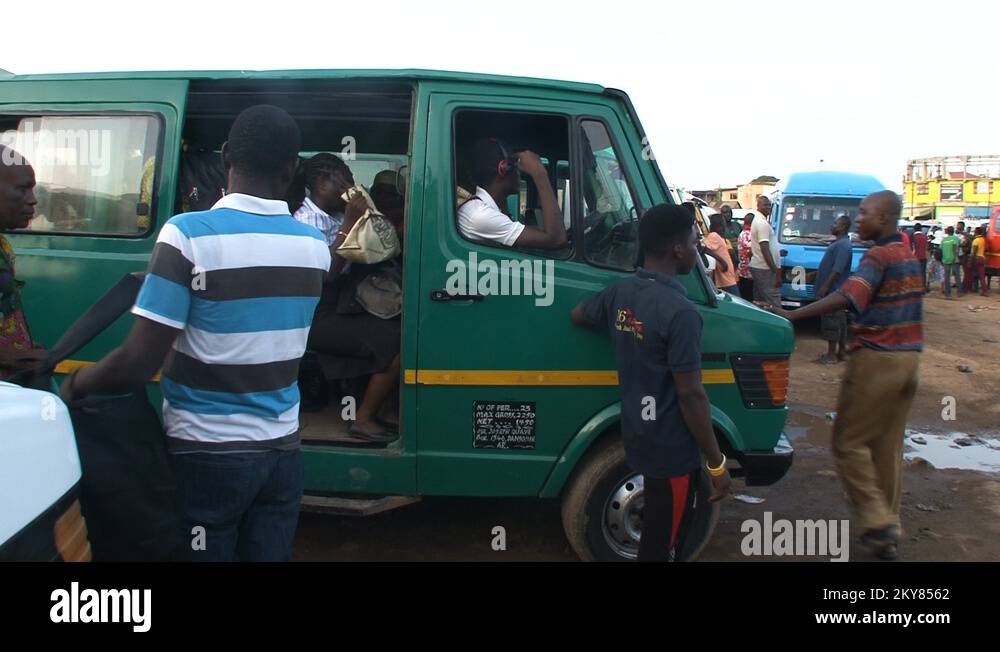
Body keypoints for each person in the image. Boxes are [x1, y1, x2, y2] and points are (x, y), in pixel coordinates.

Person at [61, 105, 332, 562]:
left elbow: (137, 363)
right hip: (283, 453)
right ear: (291, 168)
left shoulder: (187, 234)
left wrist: (74, 384)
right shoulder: (313, 246)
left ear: (226, 156)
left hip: (206, 454)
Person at [570, 203, 730, 562]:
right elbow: (691, 395)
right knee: (661, 545)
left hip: (638, 437)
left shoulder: (620, 294)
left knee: (657, 533)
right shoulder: (682, 312)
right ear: (677, 250)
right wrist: (717, 463)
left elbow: (578, 314)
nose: (696, 249)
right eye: (693, 241)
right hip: (673, 453)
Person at [769, 191, 922, 561]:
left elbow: (848, 296)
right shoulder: (908, 254)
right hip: (909, 362)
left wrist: (791, 316)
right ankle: (888, 528)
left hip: (877, 361)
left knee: (847, 443)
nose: (857, 219)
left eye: (864, 213)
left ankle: (876, 521)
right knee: (887, 449)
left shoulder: (878, 255)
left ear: (884, 219)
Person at [289, 156, 403, 442]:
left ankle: (381, 411)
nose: (352, 187)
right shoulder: (303, 219)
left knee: (405, 323)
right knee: (398, 341)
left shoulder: (337, 214)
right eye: (345, 180)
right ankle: (363, 419)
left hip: (344, 302)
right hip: (314, 313)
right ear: (320, 182)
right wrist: (351, 221)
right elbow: (326, 274)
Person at [457, 137, 566, 249]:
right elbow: (557, 239)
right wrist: (539, 173)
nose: (519, 173)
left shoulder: (489, 209)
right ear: (503, 168)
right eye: (515, 165)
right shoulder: (479, 215)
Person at [0, 145, 47, 380]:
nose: (33, 200)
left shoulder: (3, 246)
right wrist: (9, 357)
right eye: (22, 189)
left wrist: (24, 349)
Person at [813, 215, 853, 364]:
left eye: (835, 223)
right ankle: (841, 352)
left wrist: (825, 286)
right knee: (840, 320)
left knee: (832, 321)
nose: (832, 225)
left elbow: (837, 269)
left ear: (843, 226)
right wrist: (815, 275)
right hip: (835, 290)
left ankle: (831, 355)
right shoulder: (839, 243)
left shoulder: (843, 245)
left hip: (833, 291)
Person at [749, 195, 782, 308]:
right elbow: (764, 247)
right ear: (758, 206)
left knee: (761, 301)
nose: (768, 207)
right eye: (765, 205)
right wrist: (774, 270)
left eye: (769, 205)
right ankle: (780, 324)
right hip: (765, 268)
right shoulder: (761, 223)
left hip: (761, 267)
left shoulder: (760, 221)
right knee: (773, 300)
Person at [705, 213, 738, 295]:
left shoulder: (720, 237)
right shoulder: (714, 236)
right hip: (725, 279)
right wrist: (721, 261)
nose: (725, 222)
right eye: (723, 221)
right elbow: (705, 249)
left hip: (729, 276)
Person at [940, 226, 962, 298]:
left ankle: (948, 293)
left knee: (947, 277)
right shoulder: (955, 238)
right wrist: (955, 257)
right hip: (954, 260)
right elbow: (955, 247)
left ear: (947, 232)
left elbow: (940, 249)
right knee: (957, 276)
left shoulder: (944, 240)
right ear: (953, 231)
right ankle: (959, 292)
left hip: (946, 259)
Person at [737, 211, 754, 300]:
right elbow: (751, 253)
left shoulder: (742, 233)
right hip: (749, 273)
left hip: (743, 272)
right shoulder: (749, 235)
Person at [969, 226, 988, 296]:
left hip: (976, 258)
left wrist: (971, 261)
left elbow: (974, 251)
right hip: (982, 257)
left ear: (976, 232)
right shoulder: (982, 239)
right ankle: (984, 290)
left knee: (974, 274)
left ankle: (976, 288)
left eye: (974, 231)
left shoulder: (975, 240)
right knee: (981, 275)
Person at [911, 222, 928, 292]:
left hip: (915, 257)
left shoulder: (912, 237)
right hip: (923, 257)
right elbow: (927, 247)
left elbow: (912, 248)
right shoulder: (925, 237)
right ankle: (923, 287)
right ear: (921, 229)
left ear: (914, 229)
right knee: (923, 273)